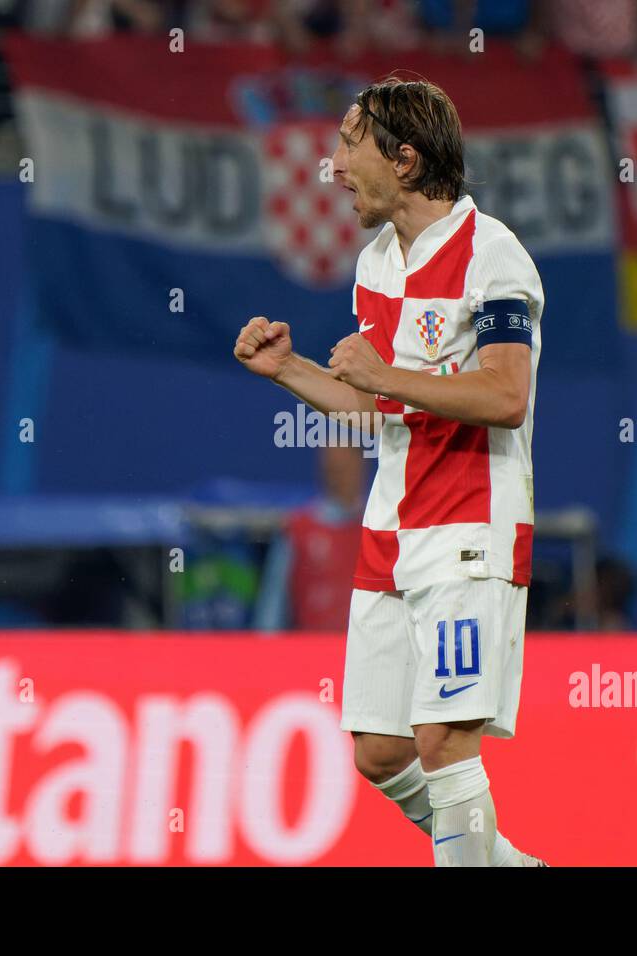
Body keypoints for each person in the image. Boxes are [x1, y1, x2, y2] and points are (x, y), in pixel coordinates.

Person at [234, 77, 545, 866]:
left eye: (348, 143)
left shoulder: (493, 255)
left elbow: (507, 396)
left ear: (404, 160)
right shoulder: (376, 262)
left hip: (468, 531)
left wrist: (384, 377)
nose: (332, 166)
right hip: (391, 528)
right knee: (378, 749)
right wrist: (290, 371)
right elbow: (376, 405)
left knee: (443, 741)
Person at [253, 444, 366, 632]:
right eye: (332, 469)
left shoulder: (379, 527)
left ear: (360, 467)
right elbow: (272, 608)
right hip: (311, 652)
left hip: (364, 653)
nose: (338, 477)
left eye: (344, 468)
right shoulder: (298, 530)